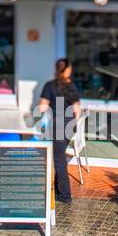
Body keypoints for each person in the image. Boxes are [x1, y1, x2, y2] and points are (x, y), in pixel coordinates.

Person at [38, 58, 83, 203]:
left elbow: (42, 108)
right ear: (67, 70)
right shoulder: (71, 86)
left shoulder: (50, 86)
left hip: (57, 126)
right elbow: (77, 111)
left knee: (59, 160)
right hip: (69, 127)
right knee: (59, 156)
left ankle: (65, 195)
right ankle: (60, 191)